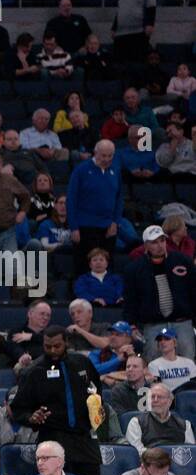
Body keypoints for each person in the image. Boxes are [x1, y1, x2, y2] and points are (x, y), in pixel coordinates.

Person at [11, 325, 103, 475]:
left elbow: (97, 391)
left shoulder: (82, 363)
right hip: (52, 439)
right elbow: (18, 409)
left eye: (57, 346)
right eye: (47, 346)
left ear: (66, 342)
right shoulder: (33, 372)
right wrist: (32, 418)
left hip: (84, 440)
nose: (52, 350)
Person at [126, 230, 196, 361]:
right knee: (153, 361)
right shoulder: (135, 269)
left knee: (188, 359)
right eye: (154, 242)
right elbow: (131, 299)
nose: (160, 245)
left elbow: (193, 291)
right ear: (146, 245)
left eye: (162, 241)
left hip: (182, 321)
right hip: (153, 324)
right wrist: (132, 324)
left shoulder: (183, 261)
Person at [68, 141, 123, 277]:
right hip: (85, 226)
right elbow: (71, 199)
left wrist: (115, 222)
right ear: (95, 152)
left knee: (108, 266)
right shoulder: (81, 170)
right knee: (84, 266)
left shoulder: (115, 170)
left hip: (108, 227)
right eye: (103, 156)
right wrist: (74, 227)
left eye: (110, 156)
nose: (106, 159)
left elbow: (119, 198)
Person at [126, 383, 195, 452]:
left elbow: (191, 451)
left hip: (177, 461)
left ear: (170, 401)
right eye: (152, 397)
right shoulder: (136, 422)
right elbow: (136, 452)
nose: (155, 400)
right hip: (150, 461)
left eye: (160, 397)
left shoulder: (184, 425)